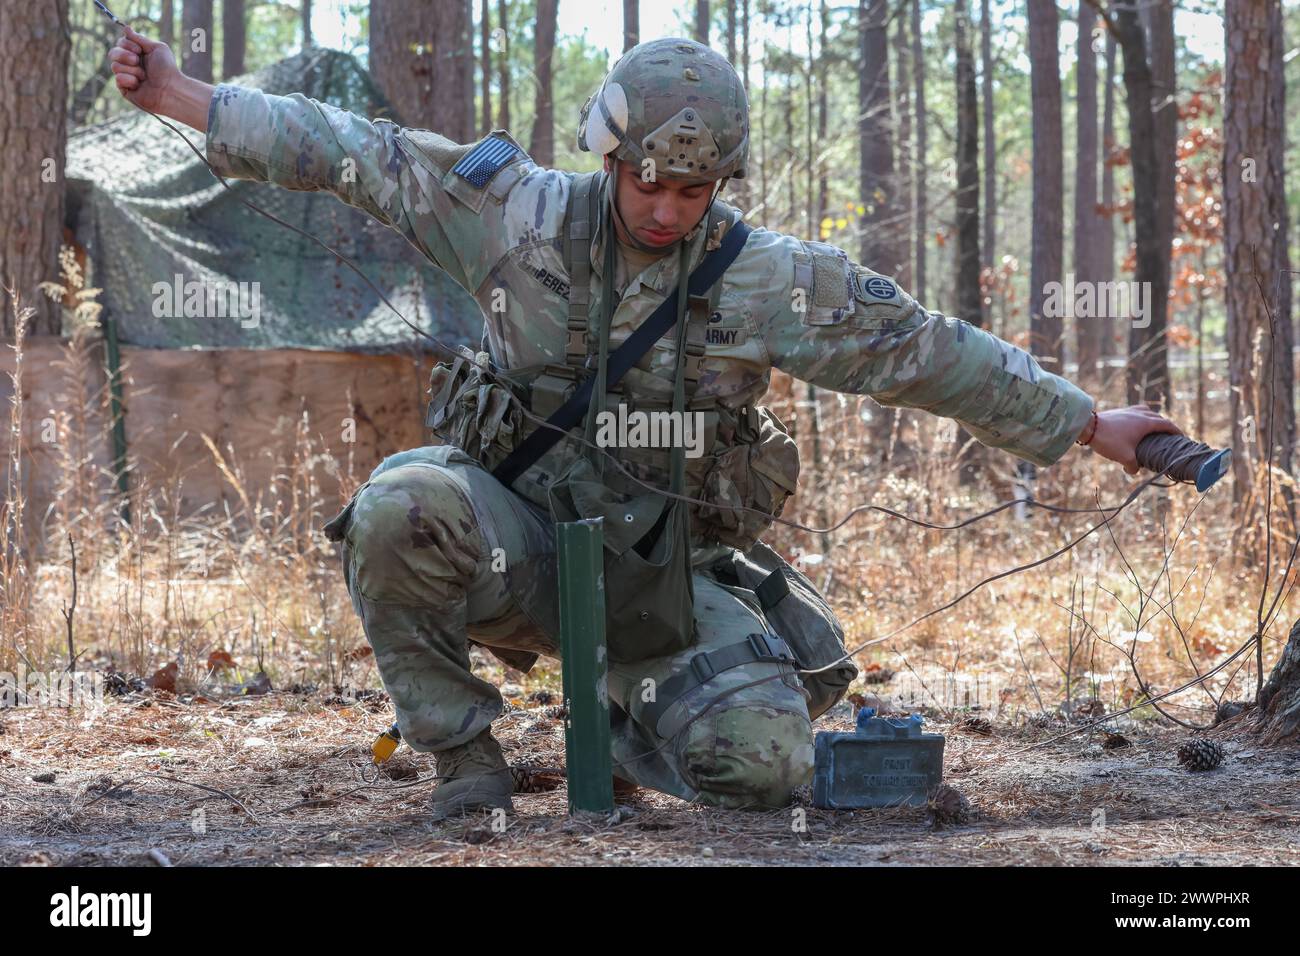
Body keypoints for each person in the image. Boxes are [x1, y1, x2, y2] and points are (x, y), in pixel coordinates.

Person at [110, 27, 1181, 816]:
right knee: (398, 506)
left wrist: (1089, 423)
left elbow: (926, 352)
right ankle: (467, 762)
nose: (668, 208)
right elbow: (351, 151)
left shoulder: (767, 280)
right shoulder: (511, 215)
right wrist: (182, 96)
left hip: (668, 585)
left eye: (697, 187)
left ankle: (631, 717)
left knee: (760, 769)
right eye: (651, 181)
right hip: (518, 544)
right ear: (610, 156)